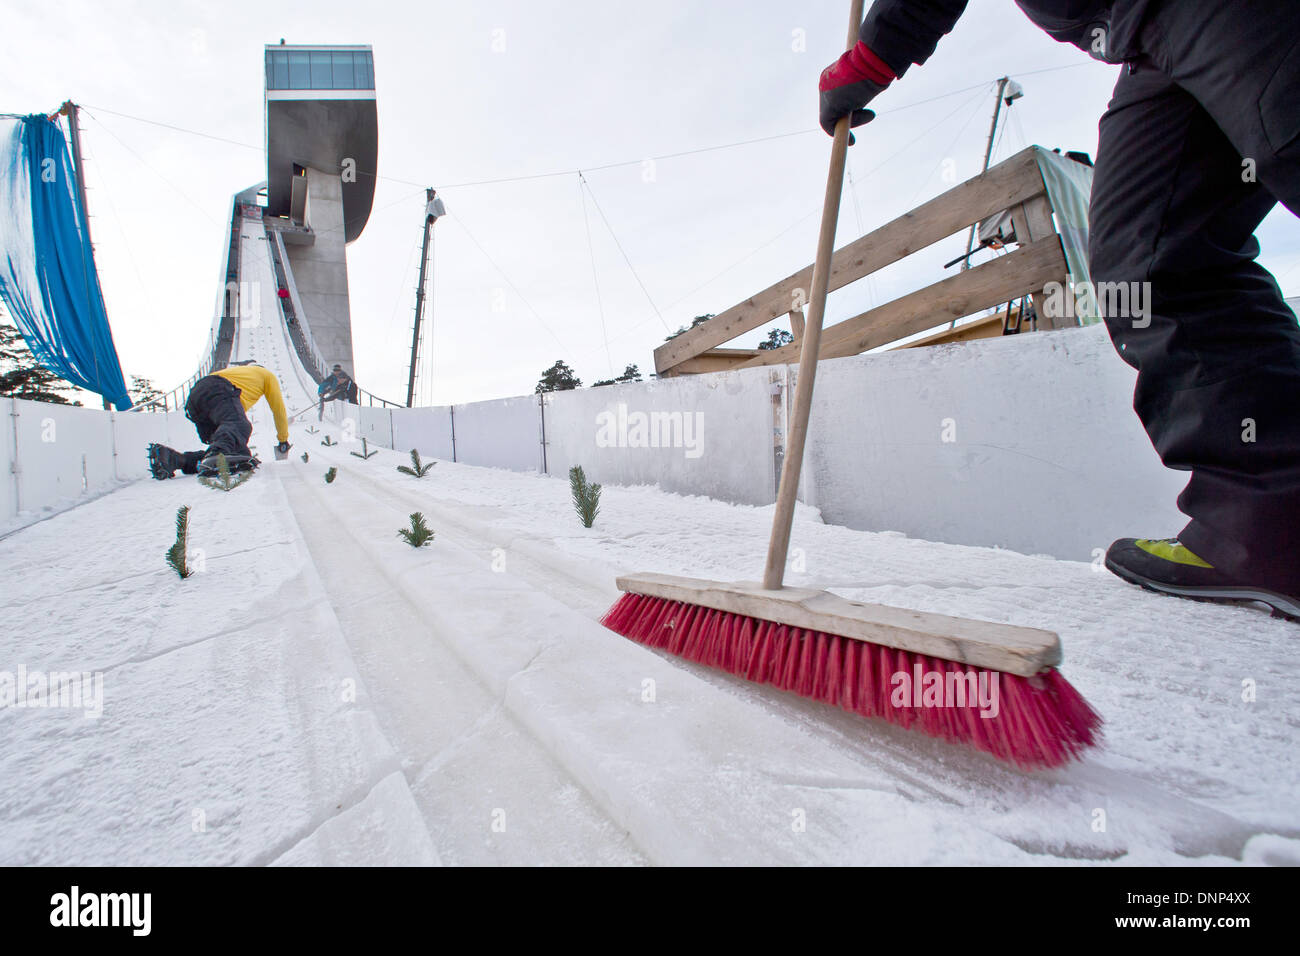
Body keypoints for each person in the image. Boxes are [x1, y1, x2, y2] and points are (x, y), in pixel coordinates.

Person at [819, 0, 1299, 620]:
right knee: (1150, 257)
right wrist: (875, 54)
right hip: (1149, 37)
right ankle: (1268, 529)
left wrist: (873, 52)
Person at [148, 361, 291, 478]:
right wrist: (283, 440)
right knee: (240, 426)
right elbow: (278, 409)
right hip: (218, 388)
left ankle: (177, 460)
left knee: (236, 452)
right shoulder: (266, 375)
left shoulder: (238, 374)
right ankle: (218, 455)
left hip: (195, 399)